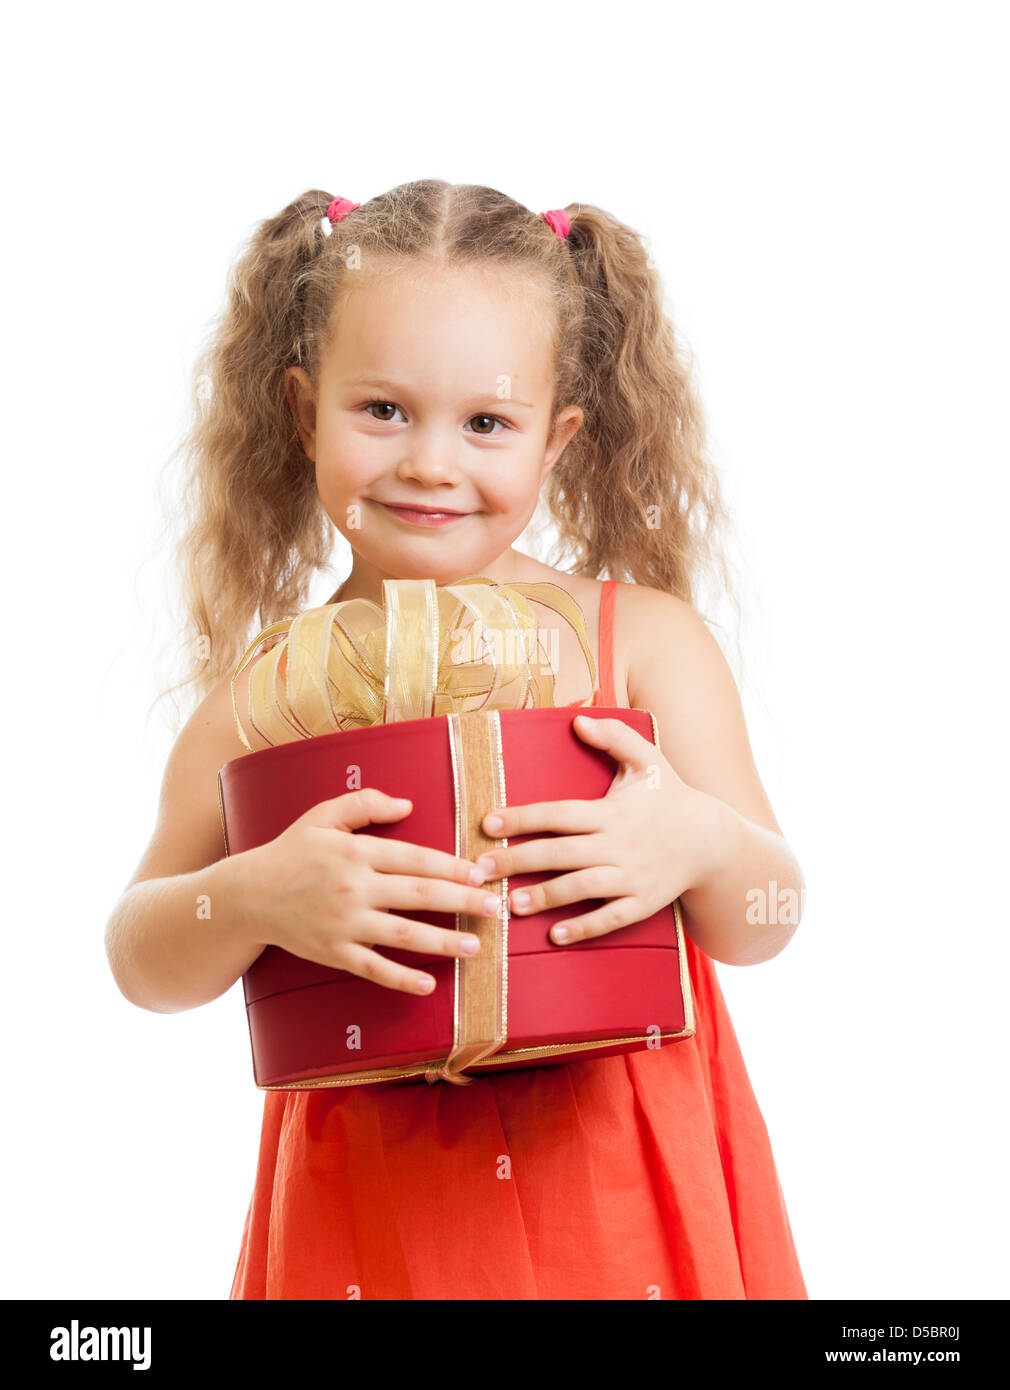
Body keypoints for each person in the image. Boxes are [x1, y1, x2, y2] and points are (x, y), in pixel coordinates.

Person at [105, 180, 808, 1300]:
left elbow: (770, 913)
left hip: (619, 1188)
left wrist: (701, 846)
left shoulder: (639, 645)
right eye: (380, 410)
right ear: (301, 411)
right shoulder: (272, 692)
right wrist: (249, 897)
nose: (431, 462)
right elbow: (138, 952)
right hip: (374, 1215)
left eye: (484, 423)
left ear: (557, 438)